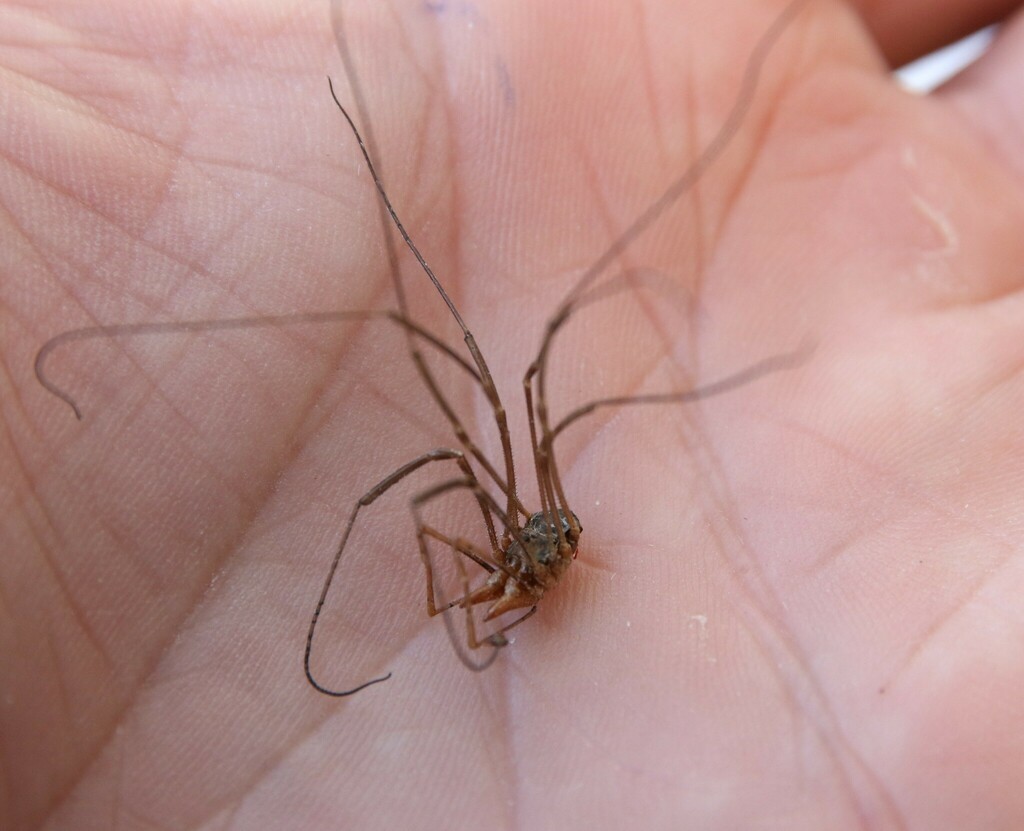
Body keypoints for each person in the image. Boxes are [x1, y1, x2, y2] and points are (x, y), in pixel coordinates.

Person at [4, 0, 1023, 827]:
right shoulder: (493, 535)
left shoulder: (542, 543)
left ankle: (708, 347)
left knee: (529, 379)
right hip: (522, 546)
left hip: (550, 542)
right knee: (469, 412)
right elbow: (408, 499)